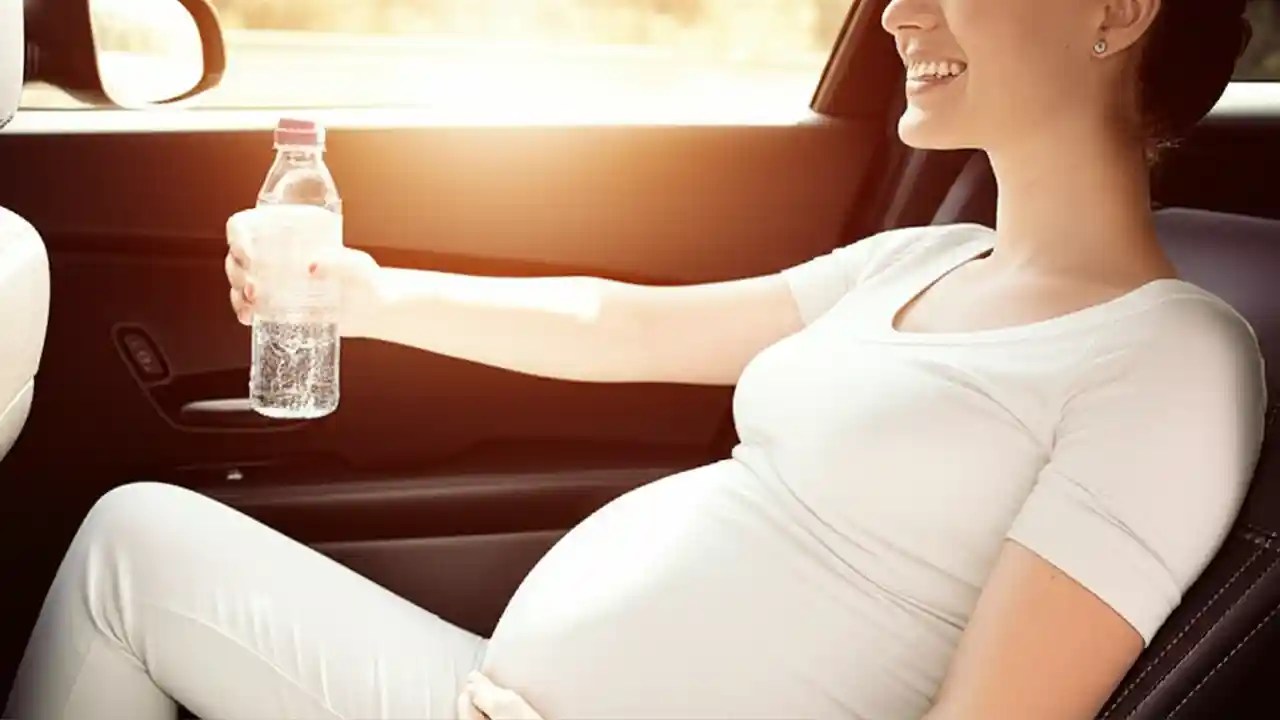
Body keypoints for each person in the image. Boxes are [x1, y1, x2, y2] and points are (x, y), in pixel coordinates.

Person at [6, 0, 1267, 718]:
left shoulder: (1168, 360)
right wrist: (358, 294)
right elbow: (624, 328)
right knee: (135, 540)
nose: (895, 11)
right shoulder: (918, 265)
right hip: (492, 696)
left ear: (1113, 9)